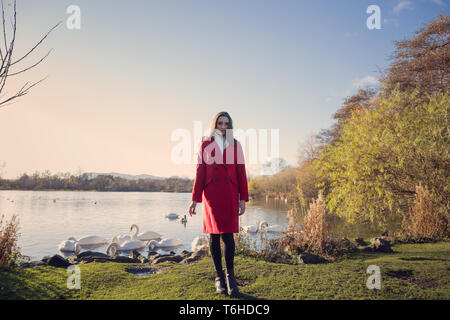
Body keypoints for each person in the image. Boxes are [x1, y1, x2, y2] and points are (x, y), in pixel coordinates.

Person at [189, 111, 249, 297]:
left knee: (228, 236)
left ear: (230, 126)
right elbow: (200, 172)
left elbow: (241, 172)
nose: (223, 127)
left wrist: (242, 199)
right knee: (214, 236)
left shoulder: (235, 144)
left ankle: (231, 278)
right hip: (212, 194)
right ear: (215, 125)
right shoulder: (205, 144)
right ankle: (219, 277)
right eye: (220, 123)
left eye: (227, 124)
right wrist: (194, 199)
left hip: (230, 193)